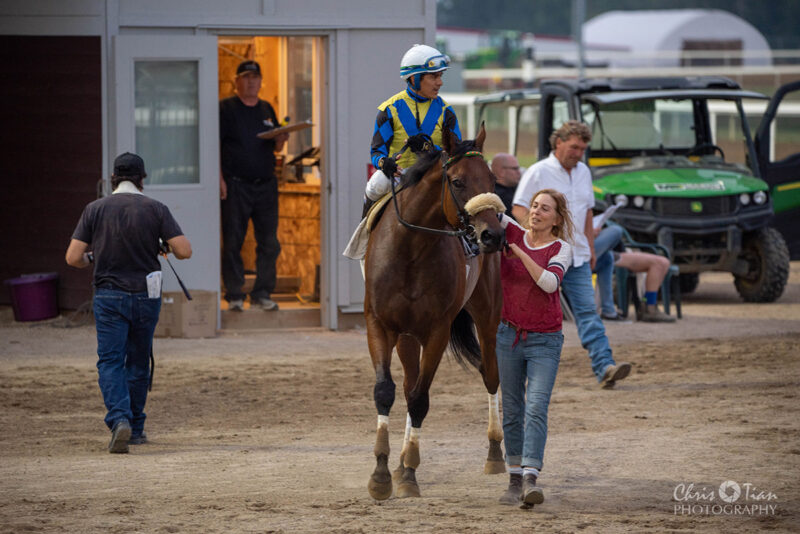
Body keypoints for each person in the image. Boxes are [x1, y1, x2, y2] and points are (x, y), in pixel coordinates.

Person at [65, 152, 192, 453]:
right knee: (138, 360)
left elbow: (72, 258)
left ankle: (119, 418)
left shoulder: (94, 209)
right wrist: (164, 248)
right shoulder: (156, 209)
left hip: (109, 295)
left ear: (113, 178)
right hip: (146, 294)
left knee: (110, 361)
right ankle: (136, 427)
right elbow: (184, 251)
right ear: (142, 179)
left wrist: (93, 257)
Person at [512, 121, 632, 389]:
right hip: (544, 256)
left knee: (588, 313)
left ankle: (605, 367)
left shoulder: (584, 172)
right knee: (529, 315)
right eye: (575, 146)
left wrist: (589, 247)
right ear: (559, 143)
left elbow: (587, 212)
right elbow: (519, 209)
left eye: (583, 148)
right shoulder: (538, 171)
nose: (579, 153)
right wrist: (535, 240)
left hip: (576, 257)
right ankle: (519, 371)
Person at [496, 189, 573, 508]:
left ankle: (530, 479)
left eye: (545, 209)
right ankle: (514, 478)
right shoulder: (511, 229)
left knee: (536, 406)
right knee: (512, 409)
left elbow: (549, 284)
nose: (536, 212)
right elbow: (487, 204)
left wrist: (517, 250)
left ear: (556, 219)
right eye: (534, 206)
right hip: (507, 336)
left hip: (545, 340)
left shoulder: (562, 248)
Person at [219, 59, 289, 312]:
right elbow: (213, 145)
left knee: (269, 243)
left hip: (266, 185)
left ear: (261, 81)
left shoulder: (266, 108)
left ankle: (261, 294)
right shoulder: (226, 109)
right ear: (236, 81)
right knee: (233, 240)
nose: (251, 82)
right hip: (236, 185)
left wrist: (281, 139)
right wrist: (220, 180)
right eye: (246, 77)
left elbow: (276, 147)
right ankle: (235, 294)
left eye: (255, 77)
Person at [364, 44, 462, 214]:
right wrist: (385, 163)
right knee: (376, 184)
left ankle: (472, 239)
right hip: (399, 176)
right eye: (433, 77)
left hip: (438, 175)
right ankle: (363, 235)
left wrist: (430, 150)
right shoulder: (389, 109)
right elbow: (377, 152)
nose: (440, 82)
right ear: (414, 79)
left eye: (440, 76)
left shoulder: (447, 112)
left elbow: (457, 153)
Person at [593, 225, 677, 322]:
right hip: (589, 253)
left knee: (663, 262)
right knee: (616, 231)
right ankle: (649, 307)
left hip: (609, 253)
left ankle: (648, 304)